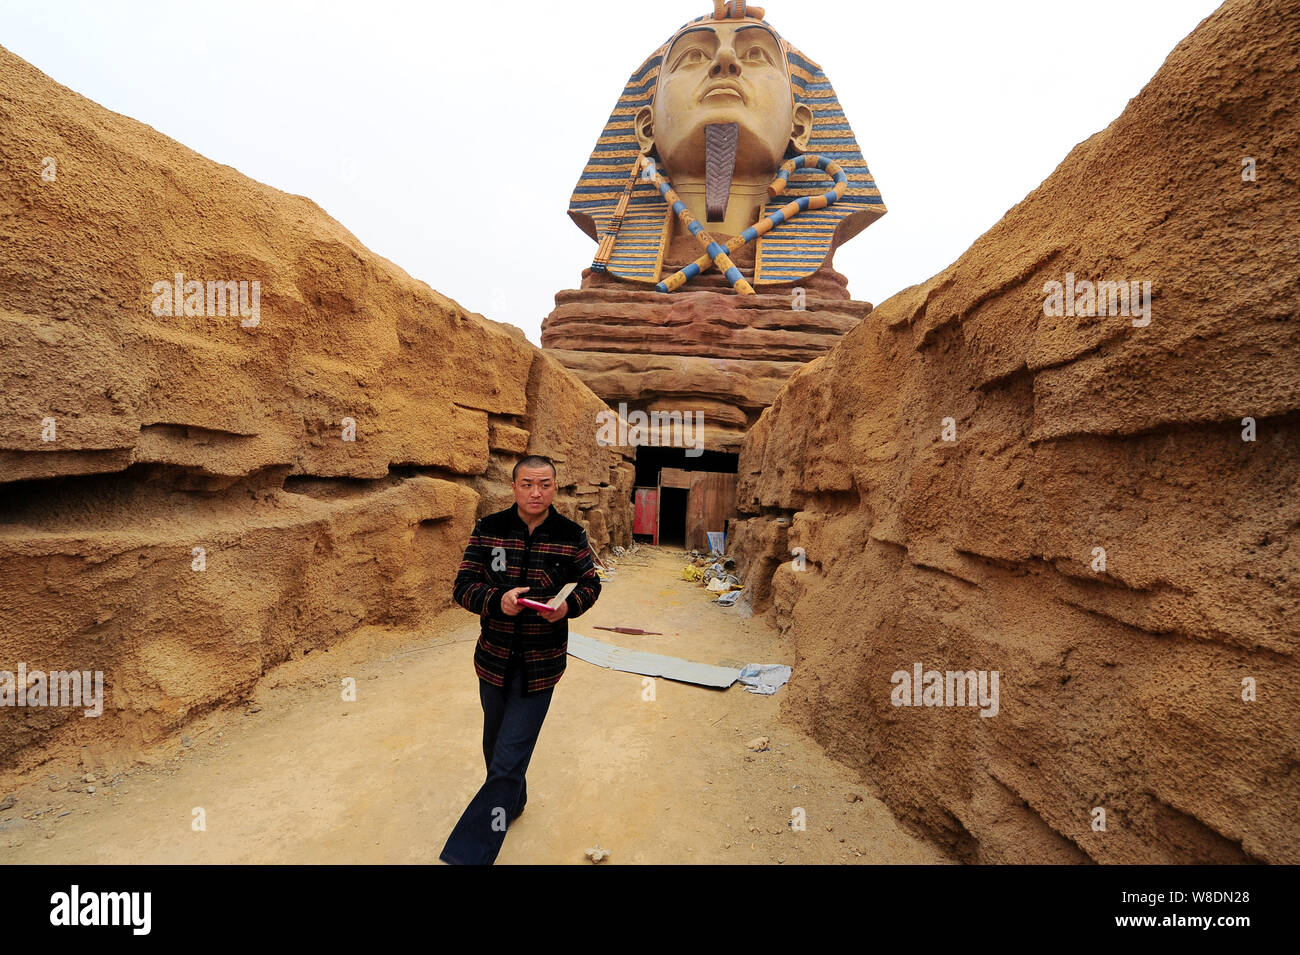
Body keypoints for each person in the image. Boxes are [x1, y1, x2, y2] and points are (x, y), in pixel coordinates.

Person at [439, 454, 602, 865]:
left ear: (554, 487)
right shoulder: (489, 529)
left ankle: (468, 855)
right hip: (493, 660)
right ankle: (515, 800)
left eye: (545, 484)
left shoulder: (570, 534)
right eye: (527, 483)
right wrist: (497, 600)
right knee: (496, 749)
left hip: (541, 665)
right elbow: (463, 586)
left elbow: (590, 583)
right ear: (513, 487)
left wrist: (569, 607)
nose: (536, 492)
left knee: (509, 756)